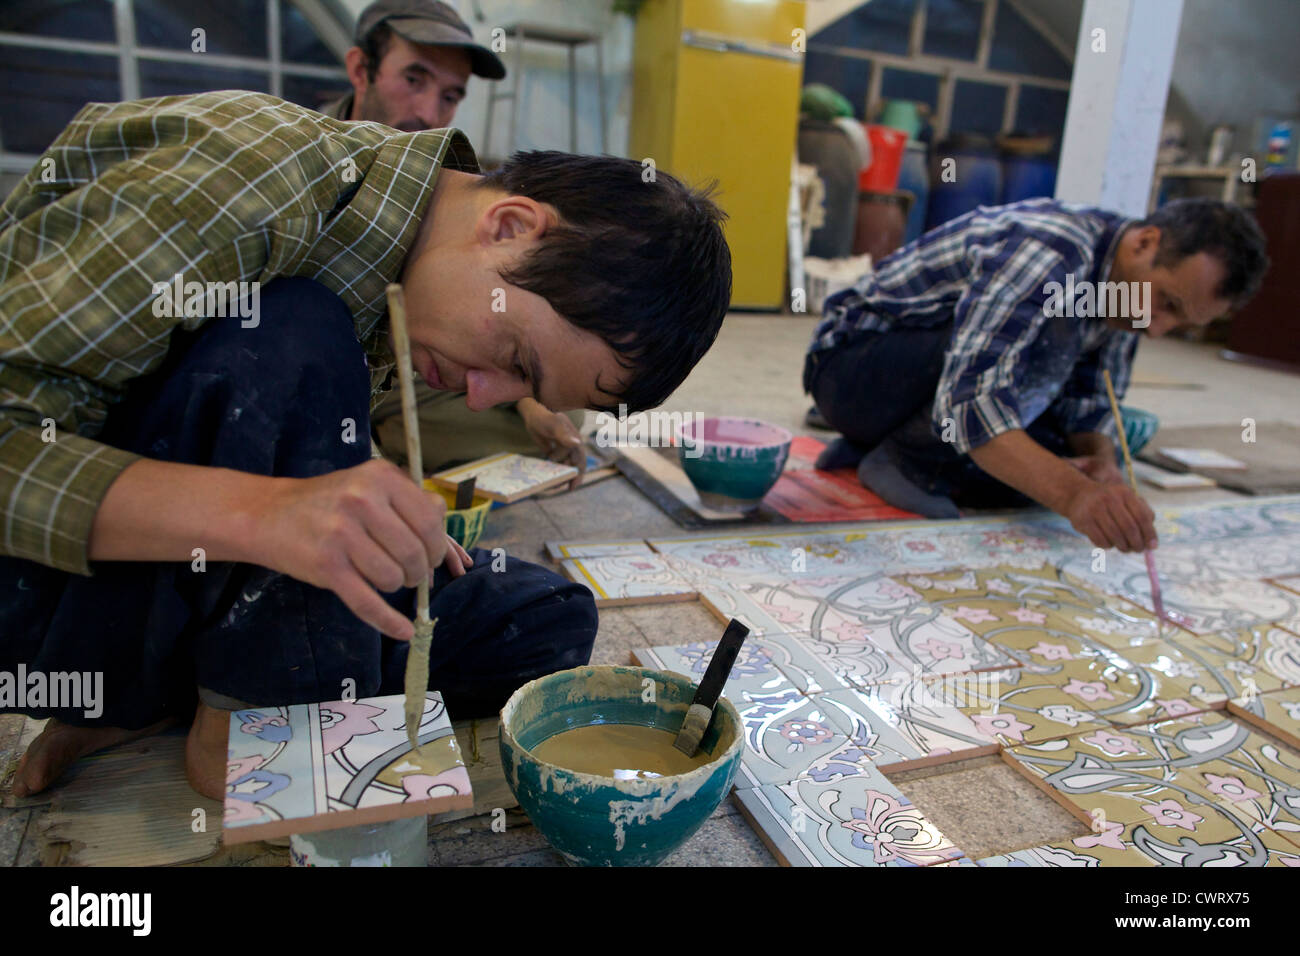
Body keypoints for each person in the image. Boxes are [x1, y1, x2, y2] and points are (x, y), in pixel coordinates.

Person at [0, 90, 731, 799]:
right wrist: (267, 511)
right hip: (63, 578)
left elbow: (260, 428)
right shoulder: (249, 177)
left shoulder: (399, 257)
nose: (483, 397)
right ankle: (240, 726)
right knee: (296, 329)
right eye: (515, 360)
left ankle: (173, 702)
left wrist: (367, 499)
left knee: (545, 620)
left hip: (201, 582)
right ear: (509, 225)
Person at [804, 197, 1268, 551]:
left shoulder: (1131, 293)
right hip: (850, 371)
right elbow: (972, 403)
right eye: (1168, 303)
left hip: (922, 389)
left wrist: (1100, 466)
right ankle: (907, 463)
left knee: (1052, 461)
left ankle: (876, 447)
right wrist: (1074, 496)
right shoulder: (1052, 249)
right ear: (1145, 243)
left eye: (1183, 323)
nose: (1159, 327)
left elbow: (1089, 402)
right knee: (1049, 346)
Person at [321, 0, 586, 476]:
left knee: (564, 392)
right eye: (413, 79)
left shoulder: (451, 186)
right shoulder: (304, 163)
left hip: (419, 365)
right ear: (361, 70)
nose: (427, 113)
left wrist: (528, 397)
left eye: (450, 96)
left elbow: (483, 318)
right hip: (340, 373)